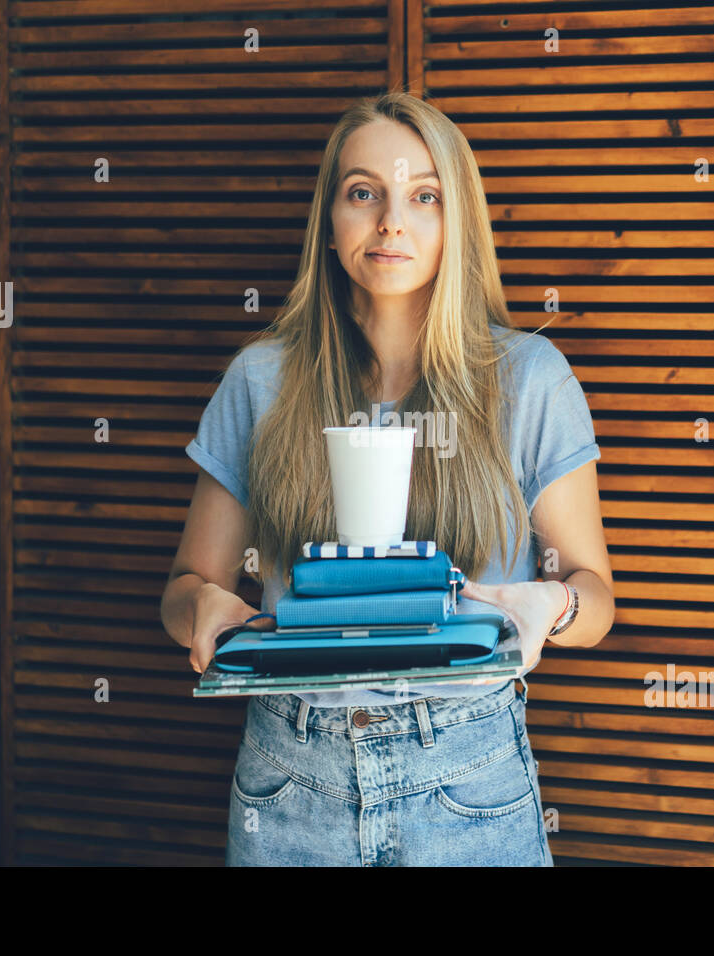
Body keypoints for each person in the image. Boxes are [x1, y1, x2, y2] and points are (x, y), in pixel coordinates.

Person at [160, 91, 613, 866]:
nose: (391, 221)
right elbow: (182, 588)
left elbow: (596, 595)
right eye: (363, 192)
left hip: (469, 776)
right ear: (330, 225)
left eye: (423, 196)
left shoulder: (530, 378)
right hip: (288, 777)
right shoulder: (261, 381)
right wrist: (202, 607)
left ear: (455, 223)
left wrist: (555, 604)